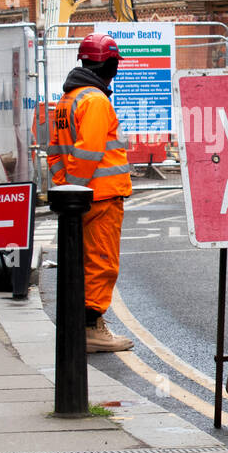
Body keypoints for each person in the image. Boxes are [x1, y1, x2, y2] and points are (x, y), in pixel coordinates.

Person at [49, 33, 134, 353]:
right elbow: (90, 151)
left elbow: (55, 151)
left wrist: (66, 188)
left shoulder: (67, 100)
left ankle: (84, 324)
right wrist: (79, 191)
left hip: (80, 199)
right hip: (99, 197)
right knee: (101, 263)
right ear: (110, 64)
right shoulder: (96, 100)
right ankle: (90, 329)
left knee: (82, 263)